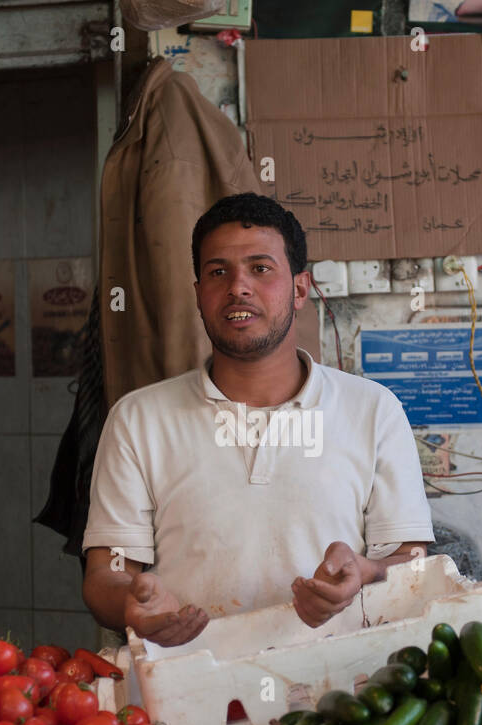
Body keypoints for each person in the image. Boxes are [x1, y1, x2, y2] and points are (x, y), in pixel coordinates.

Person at [81, 193, 434, 648]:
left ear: (301, 288)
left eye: (260, 268)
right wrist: (133, 602)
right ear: (198, 294)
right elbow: (105, 575)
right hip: (185, 695)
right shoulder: (138, 419)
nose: (238, 287)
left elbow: (414, 561)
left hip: (340, 695)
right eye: (217, 272)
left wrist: (367, 571)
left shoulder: (373, 410)